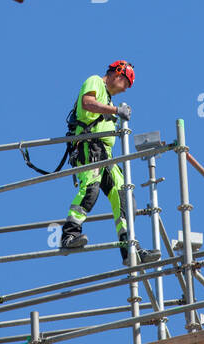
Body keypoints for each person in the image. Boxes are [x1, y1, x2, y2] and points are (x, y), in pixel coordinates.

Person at [60, 60, 155, 265]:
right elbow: (87, 103)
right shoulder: (94, 81)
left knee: (124, 197)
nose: (124, 89)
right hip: (89, 147)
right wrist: (114, 112)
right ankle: (69, 235)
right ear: (116, 74)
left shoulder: (110, 100)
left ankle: (129, 248)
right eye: (124, 83)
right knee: (90, 190)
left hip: (106, 154)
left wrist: (113, 112)